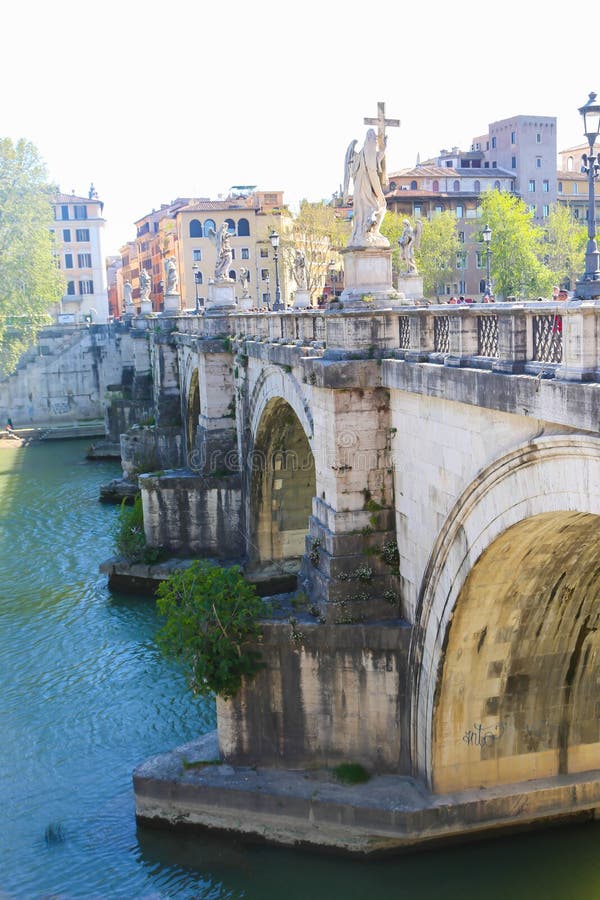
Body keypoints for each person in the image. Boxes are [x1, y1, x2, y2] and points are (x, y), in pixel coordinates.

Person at [343, 129, 388, 248]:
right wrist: (379, 194)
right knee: (379, 207)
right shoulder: (370, 149)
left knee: (361, 213)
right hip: (366, 187)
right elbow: (373, 171)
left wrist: (382, 151)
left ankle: (361, 233)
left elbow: (374, 161)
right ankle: (370, 233)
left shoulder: (361, 153)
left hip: (359, 188)